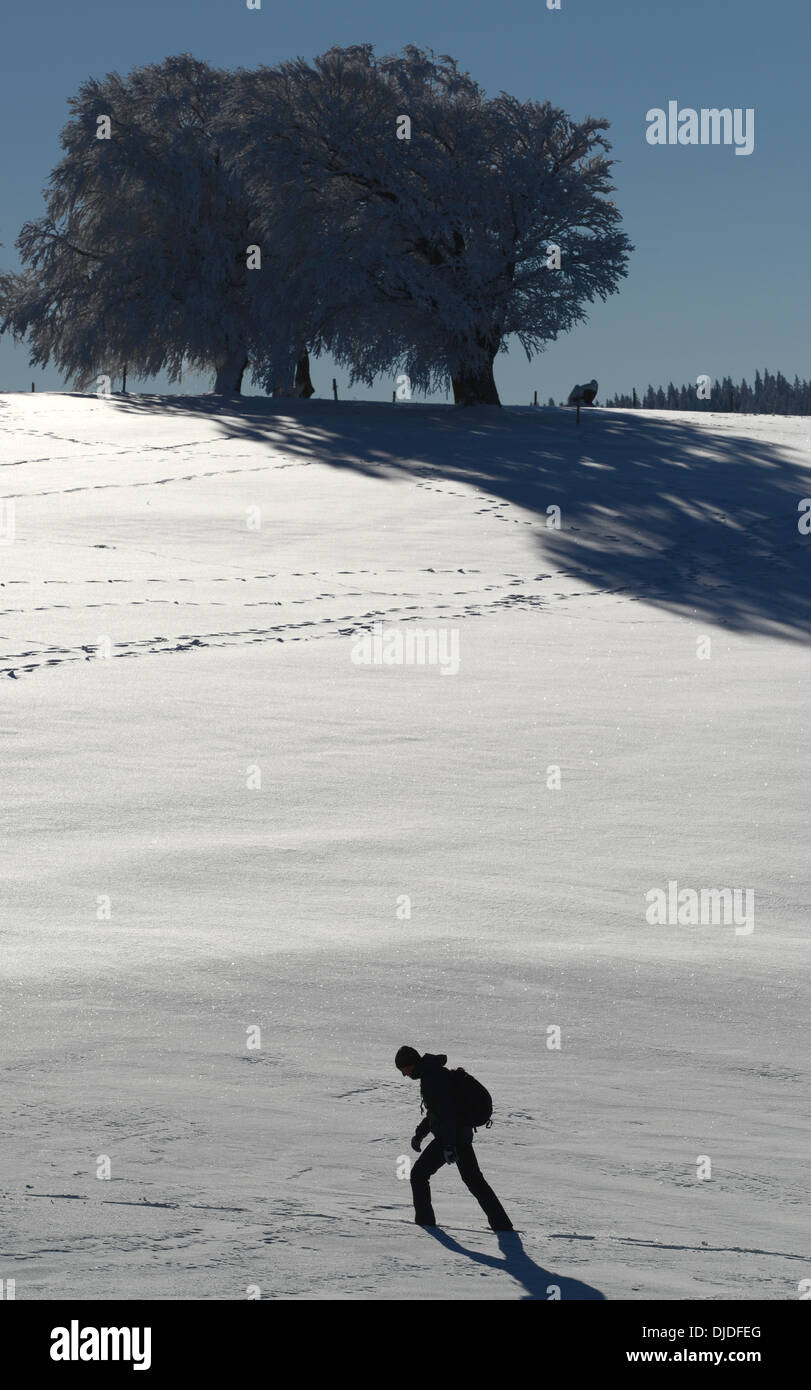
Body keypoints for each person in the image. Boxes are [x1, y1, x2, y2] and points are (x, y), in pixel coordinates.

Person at [395, 1045, 513, 1231]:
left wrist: (448, 1145)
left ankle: (425, 1225)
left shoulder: (432, 1078)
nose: (403, 1074)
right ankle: (502, 1225)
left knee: (419, 1175)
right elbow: (437, 1112)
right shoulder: (432, 1073)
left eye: (403, 1069)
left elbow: (447, 1114)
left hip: (451, 1137)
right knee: (474, 1180)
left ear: (411, 1064)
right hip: (460, 1134)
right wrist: (420, 1133)